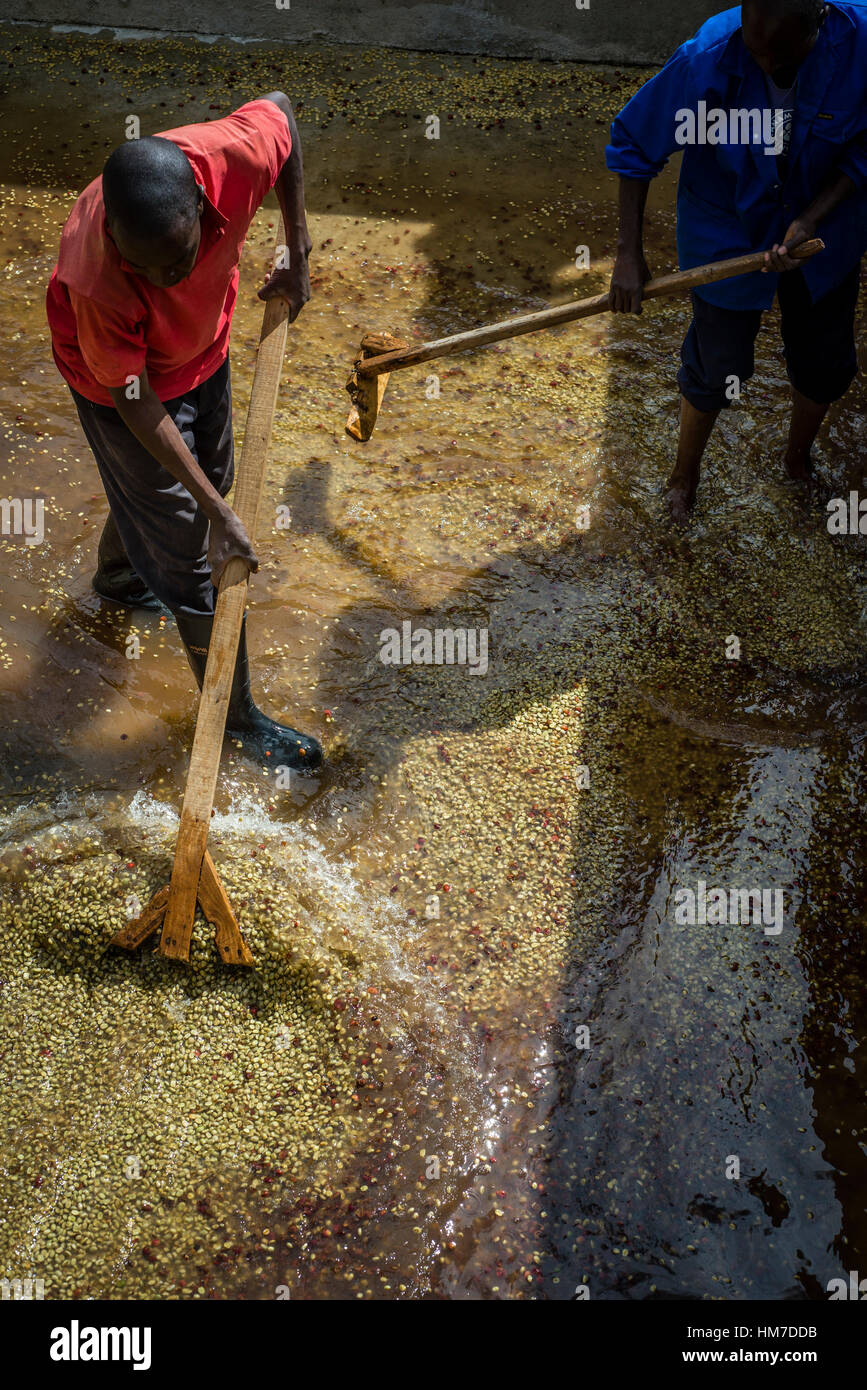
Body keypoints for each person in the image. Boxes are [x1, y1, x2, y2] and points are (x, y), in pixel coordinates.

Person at [46, 93, 322, 770]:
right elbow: (135, 399)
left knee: (193, 487)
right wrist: (215, 511)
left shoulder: (231, 156)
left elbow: (281, 114)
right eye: (148, 271)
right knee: (199, 556)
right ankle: (237, 719)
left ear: (202, 205)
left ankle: (118, 579)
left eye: (178, 262)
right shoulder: (99, 277)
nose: (164, 280)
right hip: (121, 387)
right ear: (116, 239)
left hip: (205, 347)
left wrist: (295, 240)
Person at [606, 0, 867, 522]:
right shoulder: (704, 58)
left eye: (784, 61)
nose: (767, 70)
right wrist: (629, 255)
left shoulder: (861, 42)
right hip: (726, 222)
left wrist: (812, 217)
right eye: (757, 56)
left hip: (825, 224)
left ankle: (796, 459)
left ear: (819, 20)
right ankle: (684, 475)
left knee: (822, 364)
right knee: (717, 364)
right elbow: (634, 143)